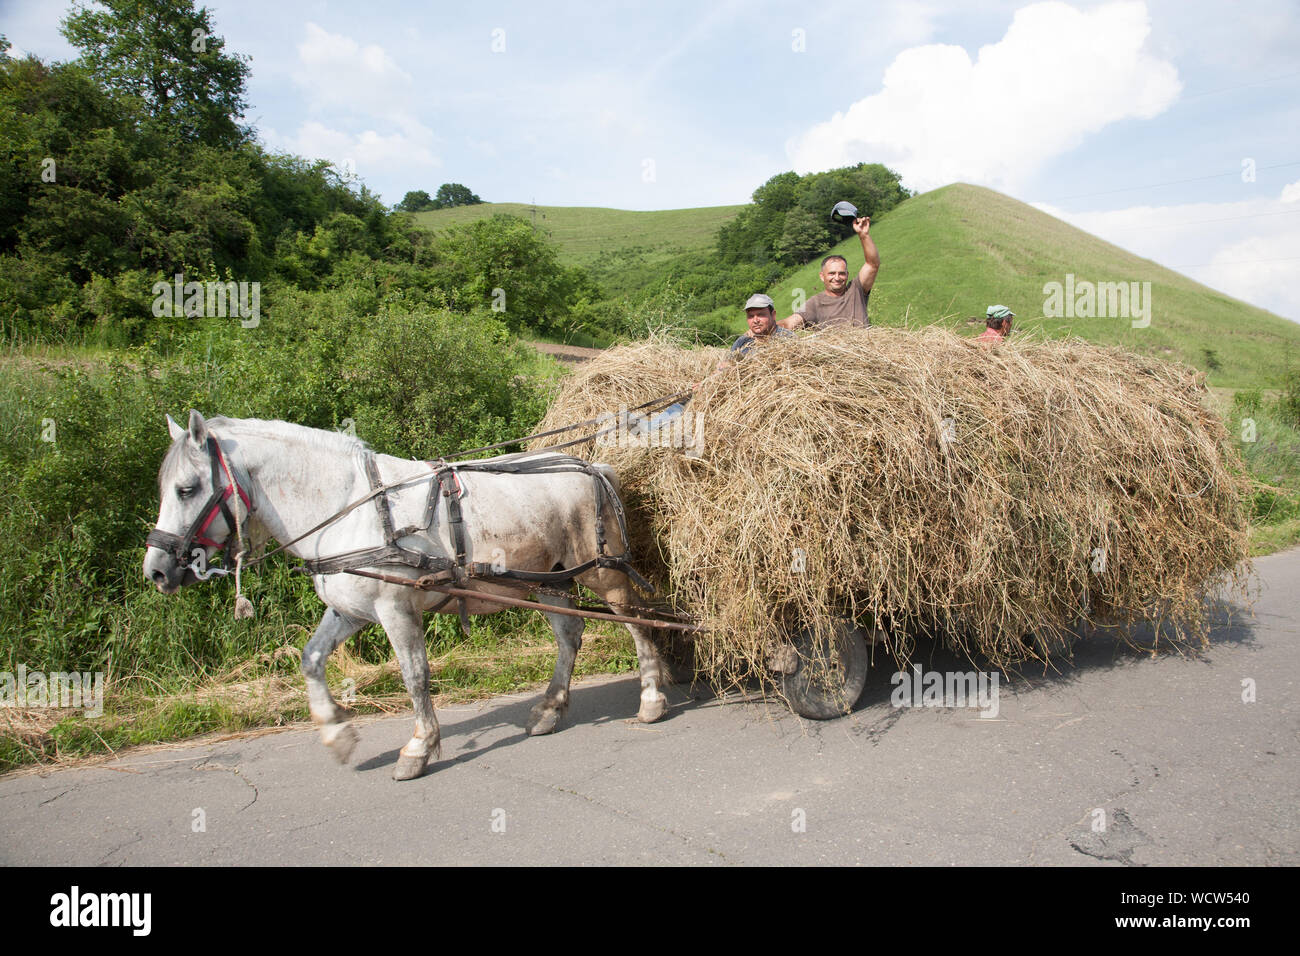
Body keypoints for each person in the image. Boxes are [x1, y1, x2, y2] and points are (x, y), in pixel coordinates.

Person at [633, 294, 792, 432]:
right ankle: (652, 428)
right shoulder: (743, 342)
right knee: (689, 398)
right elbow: (725, 367)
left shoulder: (787, 340)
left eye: (761, 315)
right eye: (751, 316)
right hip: (731, 387)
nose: (755, 320)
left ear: (773, 315)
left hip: (759, 395)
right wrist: (707, 382)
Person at [778, 215, 880, 330]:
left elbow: (872, 264)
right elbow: (790, 322)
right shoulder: (814, 303)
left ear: (847, 275)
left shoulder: (856, 290)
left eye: (841, 273)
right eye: (831, 273)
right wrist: (768, 329)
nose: (837, 278)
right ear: (822, 276)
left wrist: (864, 235)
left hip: (864, 346)